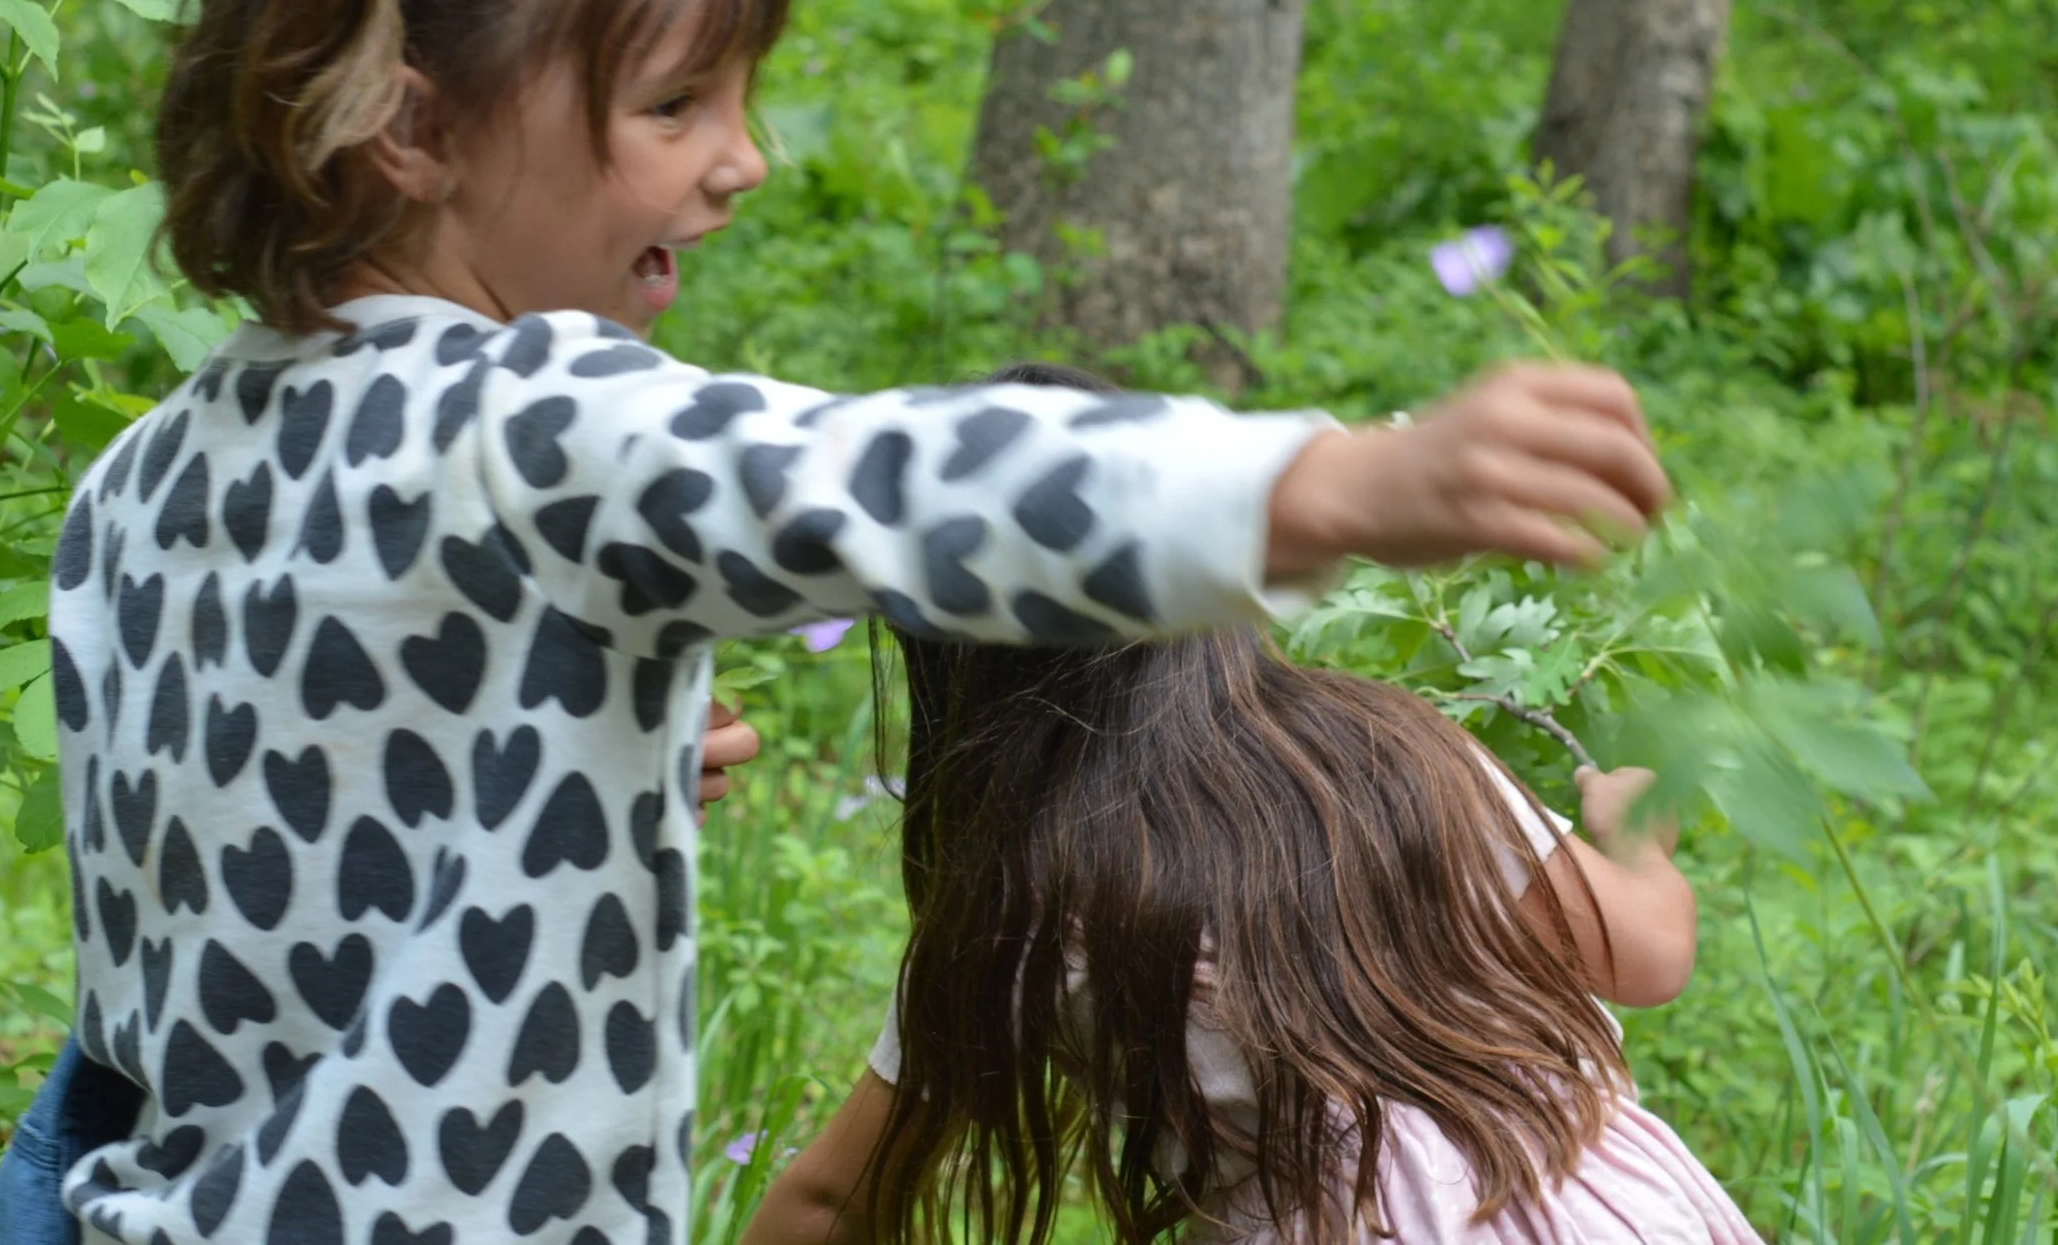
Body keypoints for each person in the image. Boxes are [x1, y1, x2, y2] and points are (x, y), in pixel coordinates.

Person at [14, 0, 1670, 1245]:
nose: (742, 158)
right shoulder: (535, 412)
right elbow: (904, 483)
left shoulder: (142, 475)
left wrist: (565, 764)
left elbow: (224, 887)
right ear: (408, 128)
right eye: (672, 104)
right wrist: (1330, 483)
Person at [745, 388, 1756, 1243]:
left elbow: (836, 1197)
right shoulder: (1390, 746)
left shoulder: (1022, 916)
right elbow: (1648, 953)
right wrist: (1633, 833)